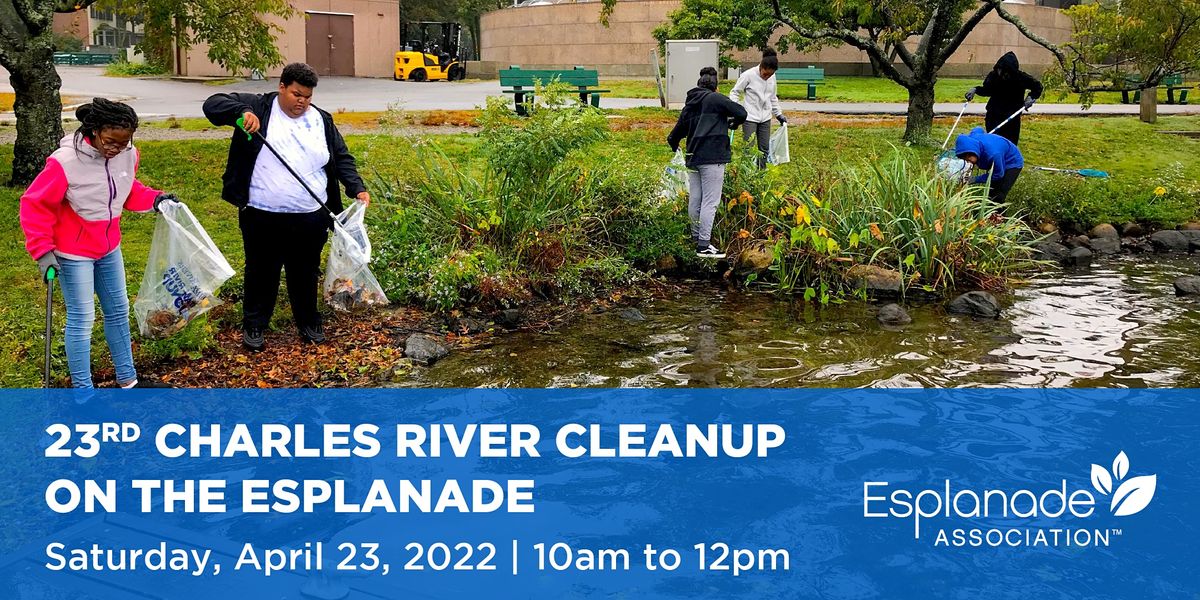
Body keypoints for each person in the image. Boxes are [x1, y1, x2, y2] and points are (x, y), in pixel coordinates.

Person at [203, 62, 369, 351]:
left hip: (310, 214)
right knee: (260, 271)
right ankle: (254, 325)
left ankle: (308, 322)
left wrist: (356, 187)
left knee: (305, 271)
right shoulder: (258, 107)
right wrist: (241, 114)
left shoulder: (321, 120)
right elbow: (212, 104)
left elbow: (340, 157)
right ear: (281, 87)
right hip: (261, 213)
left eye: (307, 96)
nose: (301, 102)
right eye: (296, 94)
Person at [20, 99, 178, 388]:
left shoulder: (127, 155)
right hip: (72, 252)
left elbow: (127, 189)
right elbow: (35, 205)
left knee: (118, 310)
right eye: (110, 141)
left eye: (123, 142)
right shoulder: (64, 162)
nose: (115, 149)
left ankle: (128, 381)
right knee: (82, 319)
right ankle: (83, 394)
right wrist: (42, 252)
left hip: (108, 247)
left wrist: (155, 198)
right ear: (93, 131)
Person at [668, 67, 748, 259]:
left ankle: (696, 239)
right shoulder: (716, 99)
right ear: (715, 87)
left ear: (699, 84)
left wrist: (674, 143)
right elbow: (741, 113)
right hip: (713, 156)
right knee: (710, 201)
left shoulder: (690, 104)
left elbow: (677, 131)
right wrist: (733, 124)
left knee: (696, 198)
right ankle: (704, 246)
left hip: (693, 155)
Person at [966, 51, 1043, 146]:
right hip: (993, 115)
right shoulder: (994, 76)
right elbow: (987, 90)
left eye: (1004, 71)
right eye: (999, 70)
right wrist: (975, 90)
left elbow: (1037, 86)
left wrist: (1031, 97)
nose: (1001, 74)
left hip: (1012, 117)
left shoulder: (1020, 77)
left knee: (1009, 145)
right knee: (993, 144)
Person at [730, 48, 786, 168]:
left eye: (770, 75)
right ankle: (747, 173)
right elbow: (734, 92)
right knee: (749, 148)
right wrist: (737, 110)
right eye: (765, 74)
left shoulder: (772, 77)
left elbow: (772, 96)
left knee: (764, 149)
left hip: (765, 117)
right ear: (761, 67)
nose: (767, 77)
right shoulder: (748, 75)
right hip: (749, 117)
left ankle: (761, 173)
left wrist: (779, 114)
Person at [954, 127, 1024, 204]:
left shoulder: (993, 154)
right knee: (991, 191)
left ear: (973, 153)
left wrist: (975, 179)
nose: (967, 161)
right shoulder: (972, 138)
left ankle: (999, 213)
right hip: (996, 153)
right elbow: (978, 129)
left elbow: (998, 174)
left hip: (1012, 162)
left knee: (997, 196)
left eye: (968, 159)